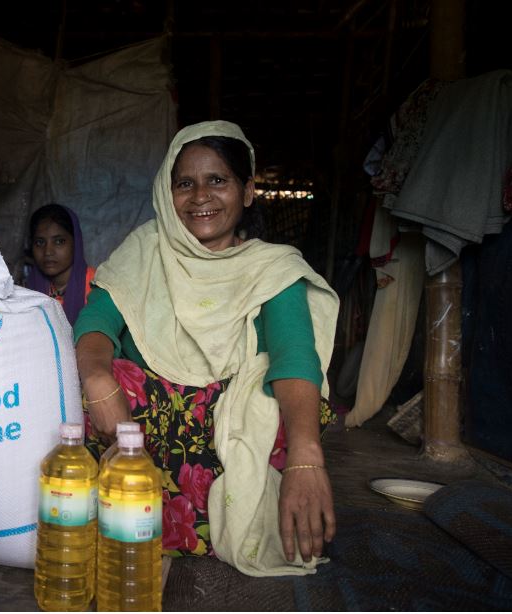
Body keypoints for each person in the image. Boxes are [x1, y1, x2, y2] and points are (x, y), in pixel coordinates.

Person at [73, 121, 340, 577]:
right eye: (185, 184)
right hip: (138, 435)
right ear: (166, 192)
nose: (200, 196)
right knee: (83, 386)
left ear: (248, 190)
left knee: (277, 408)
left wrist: (305, 459)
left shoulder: (272, 268)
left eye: (218, 180)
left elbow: (295, 358)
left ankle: (179, 524)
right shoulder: (145, 250)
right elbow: (95, 323)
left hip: (228, 434)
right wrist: (98, 381)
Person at [24, 203, 95, 325]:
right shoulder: (29, 289)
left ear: (76, 243)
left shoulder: (97, 286)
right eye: (40, 243)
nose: (48, 252)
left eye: (59, 241)